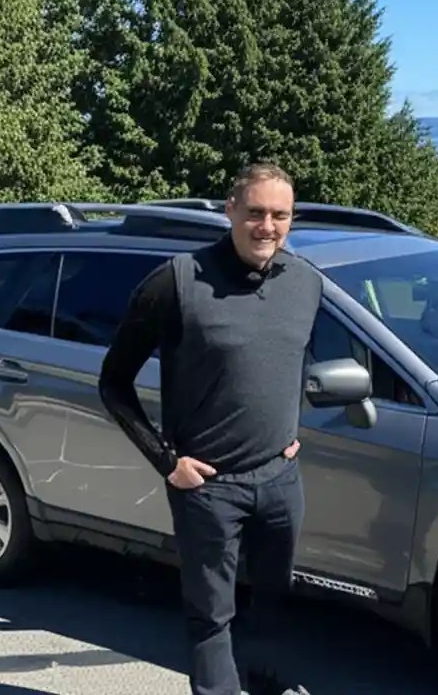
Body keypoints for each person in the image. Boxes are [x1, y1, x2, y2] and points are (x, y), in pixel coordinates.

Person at [98, 162, 322, 695]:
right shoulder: (176, 283)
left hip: (280, 479)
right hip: (208, 487)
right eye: (255, 213)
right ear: (230, 211)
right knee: (211, 617)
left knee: (273, 605)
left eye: (280, 215)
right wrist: (166, 462)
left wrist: (294, 425)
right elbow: (113, 383)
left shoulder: (306, 283)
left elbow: (293, 362)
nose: (267, 226)